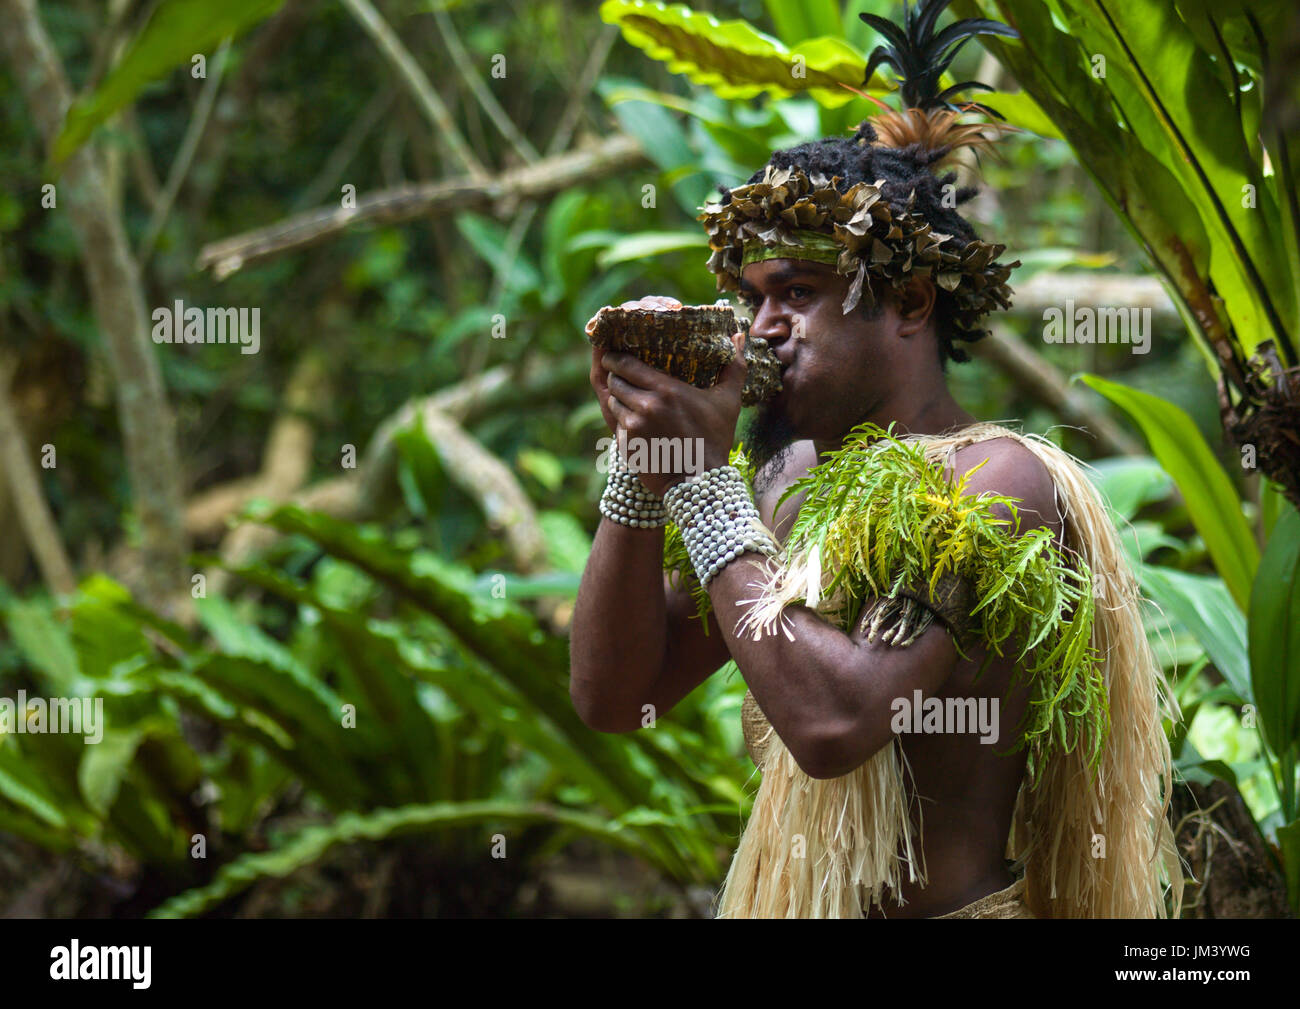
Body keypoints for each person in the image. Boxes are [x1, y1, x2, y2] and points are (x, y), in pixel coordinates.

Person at [569, 3, 1181, 920]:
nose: (761, 326)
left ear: (907, 301)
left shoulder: (997, 482)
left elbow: (836, 721)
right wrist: (645, 453)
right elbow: (617, 693)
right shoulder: (786, 498)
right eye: (749, 299)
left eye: (797, 293)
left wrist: (701, 484)